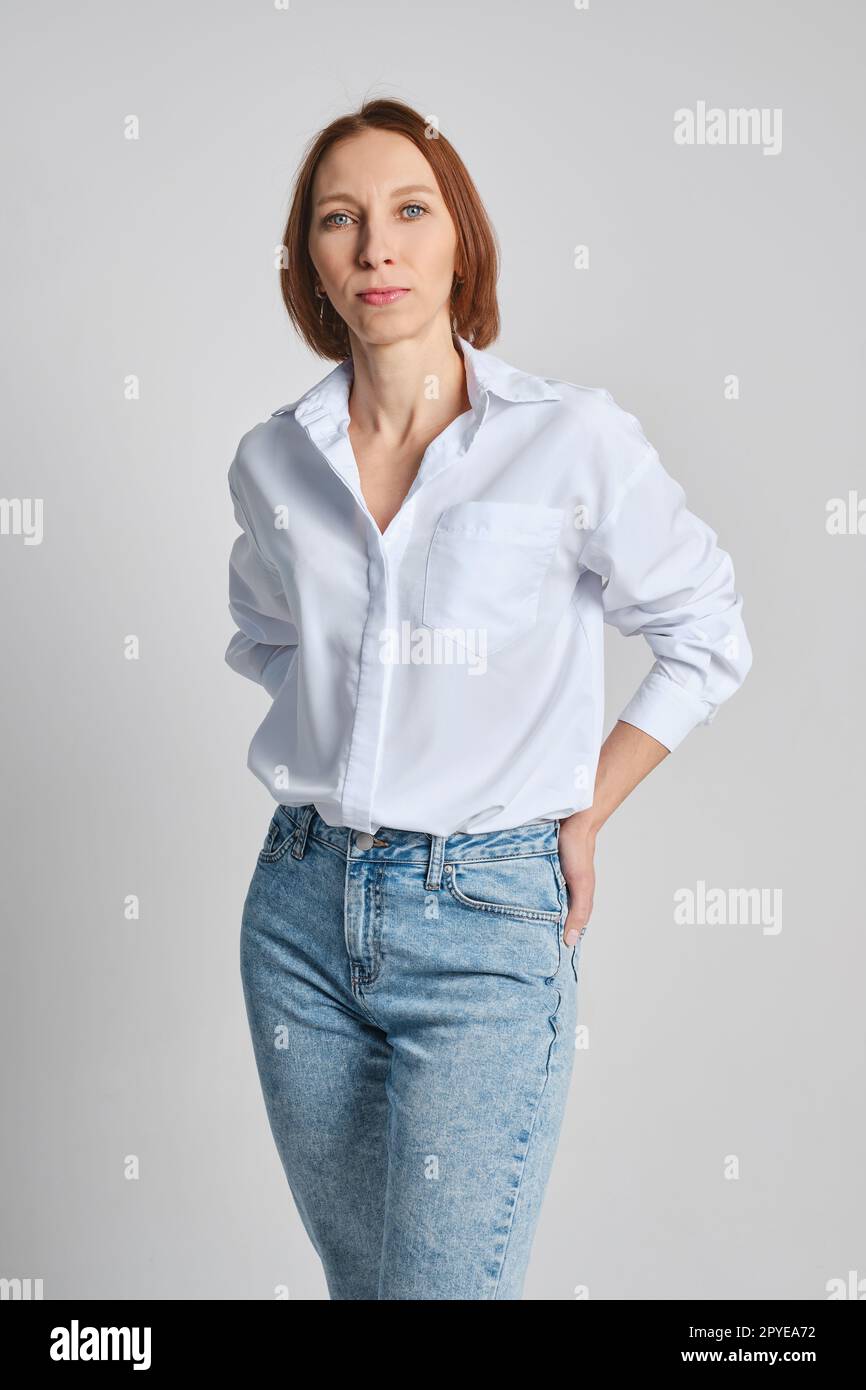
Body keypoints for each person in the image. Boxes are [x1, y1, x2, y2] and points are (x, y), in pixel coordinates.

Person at [224, 98, 752, 1300]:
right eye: (338, 220)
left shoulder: (566, 440)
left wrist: (584, 806)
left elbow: (706, 632)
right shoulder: (272, 461)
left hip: (484, 922)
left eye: (409, 211)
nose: (376, 248)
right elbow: (269, 637)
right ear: (309, 259)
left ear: (458, 237)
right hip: (300, 914)